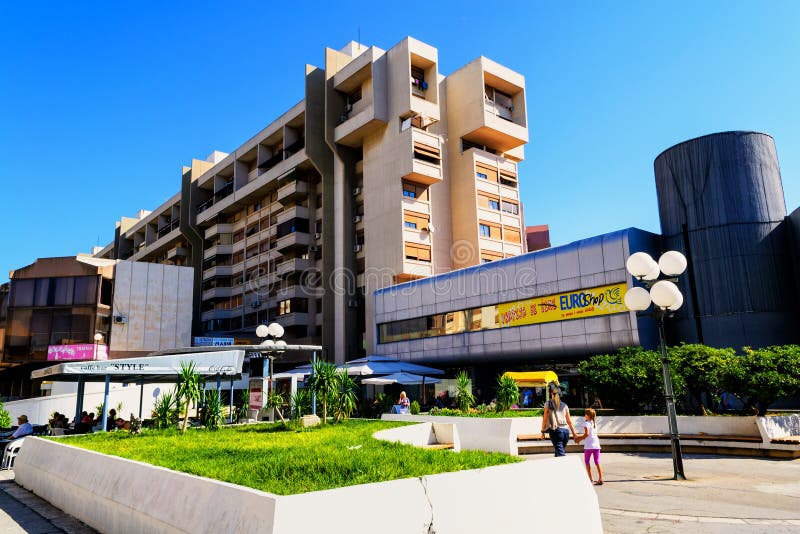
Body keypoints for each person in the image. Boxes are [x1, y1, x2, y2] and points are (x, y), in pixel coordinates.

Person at [540, 382, 577, 457]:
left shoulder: (548, 403)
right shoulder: (565, 405)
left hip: (556, 432)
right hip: (566, 432)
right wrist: (574, 434)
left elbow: (544, 419)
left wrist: (542, 431)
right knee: (558, 453)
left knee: (561, 455)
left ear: (551, 394)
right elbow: (569, 422)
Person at [574, 407, 604, 485]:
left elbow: (586, 434)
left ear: (588, 416)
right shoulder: (594, 423)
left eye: (585, 414)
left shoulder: (586, 423)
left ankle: (590, 479)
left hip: (589, 446)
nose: (584, 415)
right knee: (597, 462)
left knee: (587, 461)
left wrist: (579, 439)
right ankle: (601, 478)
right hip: (596, 445)